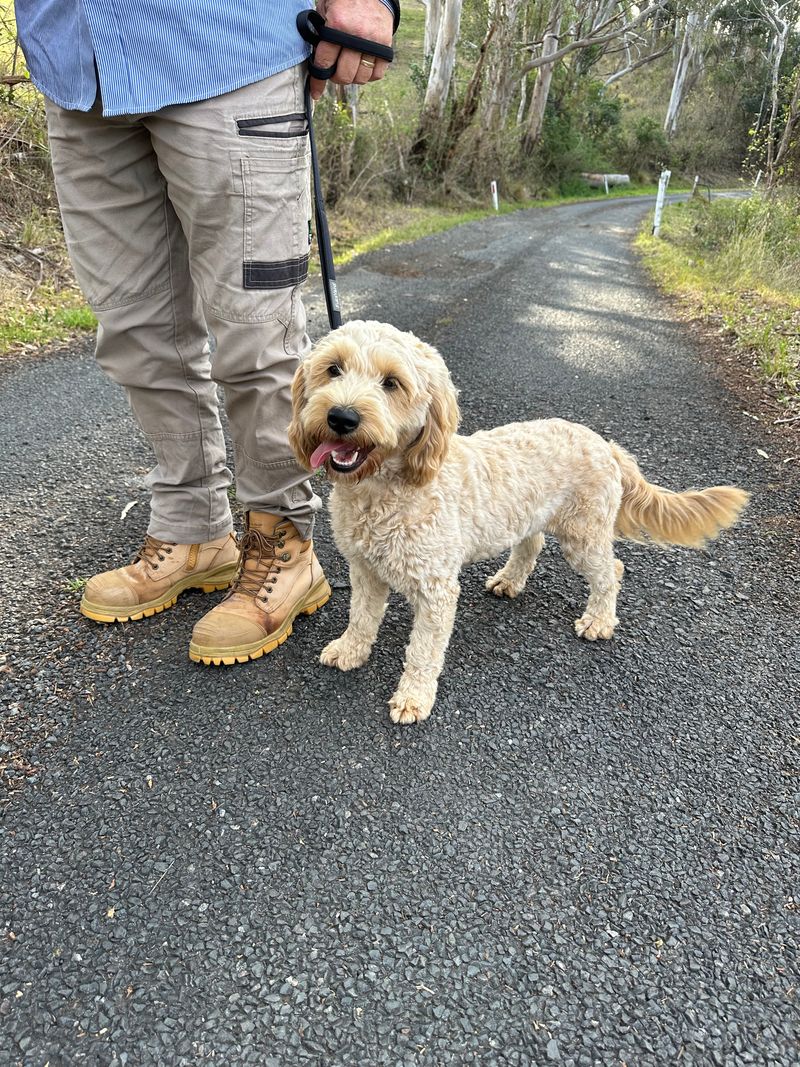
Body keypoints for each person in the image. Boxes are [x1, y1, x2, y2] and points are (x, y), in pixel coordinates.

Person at [14, 0, 398, 665]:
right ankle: (193, 531)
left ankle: (283, 547)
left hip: (224, 46)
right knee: (136, 331)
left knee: (257, 336)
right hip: (75, 68)